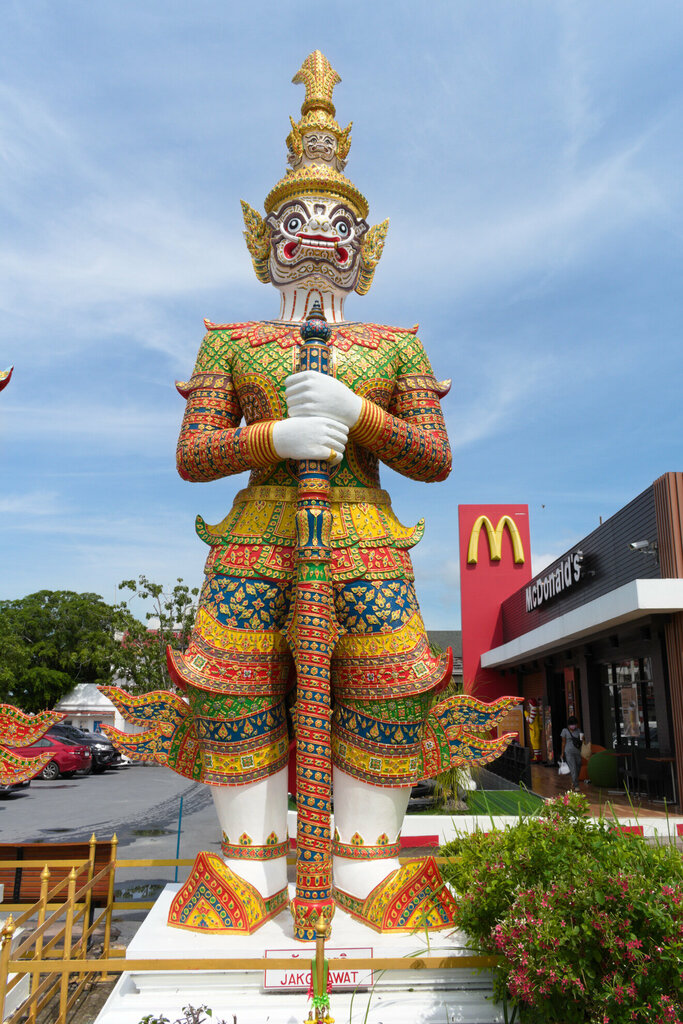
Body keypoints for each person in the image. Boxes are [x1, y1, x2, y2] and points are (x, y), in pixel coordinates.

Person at [103, 51, 518, 938]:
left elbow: (433, 458)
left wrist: (356, 413)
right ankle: (250, 863)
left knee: (388, 685)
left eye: (339, 221)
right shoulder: (231, 343)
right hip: (255, 537)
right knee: (234, 687)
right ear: (265, 241)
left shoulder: (396, 346)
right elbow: (194, 455)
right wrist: (275, 439)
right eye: (298, 219)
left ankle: (369, 865)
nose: (320, 233)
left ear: (366, 247)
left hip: (366, 537)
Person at [560, 716, 585, 789]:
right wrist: (562, 753)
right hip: (568, 752)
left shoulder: (578, 731)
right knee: (573, 768)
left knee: (578, 766)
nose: (573, 726)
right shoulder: (564, 731)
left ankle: (574, 782)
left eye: (574, 724)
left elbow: (582, 740)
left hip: (577, 752)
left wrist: (582, 738)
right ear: (568, 725)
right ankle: (576, 786)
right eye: (571, 724)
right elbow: (563, 742)